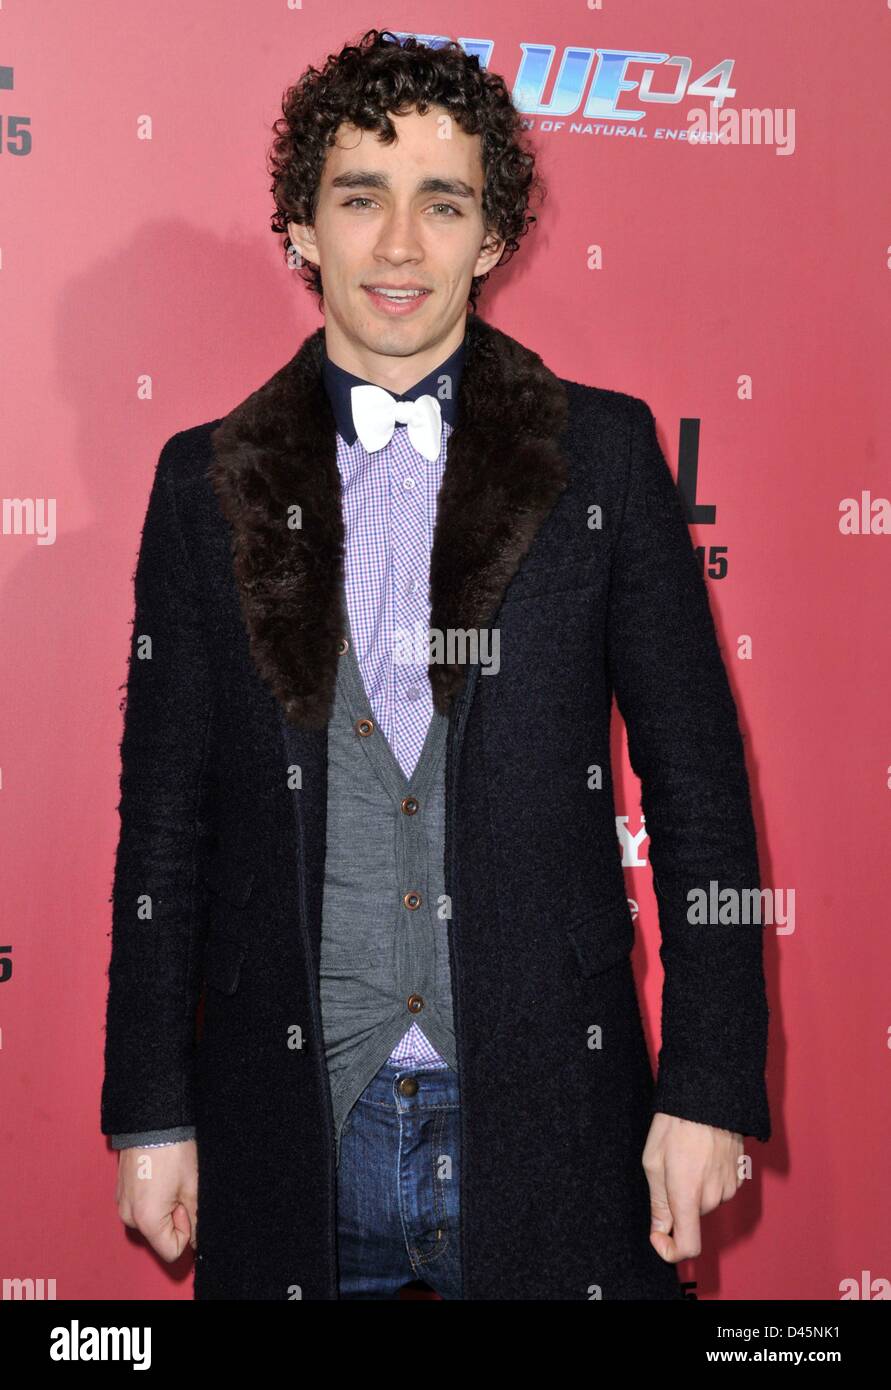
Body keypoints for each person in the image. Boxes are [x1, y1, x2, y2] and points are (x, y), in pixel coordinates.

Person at [102, 29, 770, 1301]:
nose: (399, 246)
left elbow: (700, 797)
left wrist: (709, 1085)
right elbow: (165, 829)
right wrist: (149, 1109)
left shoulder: (606, 460)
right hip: (293, 1122)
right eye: (360, 198)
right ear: (303, 226)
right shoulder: (205, 486)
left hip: (558, 1110)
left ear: (494, 235)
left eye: (442, 201)